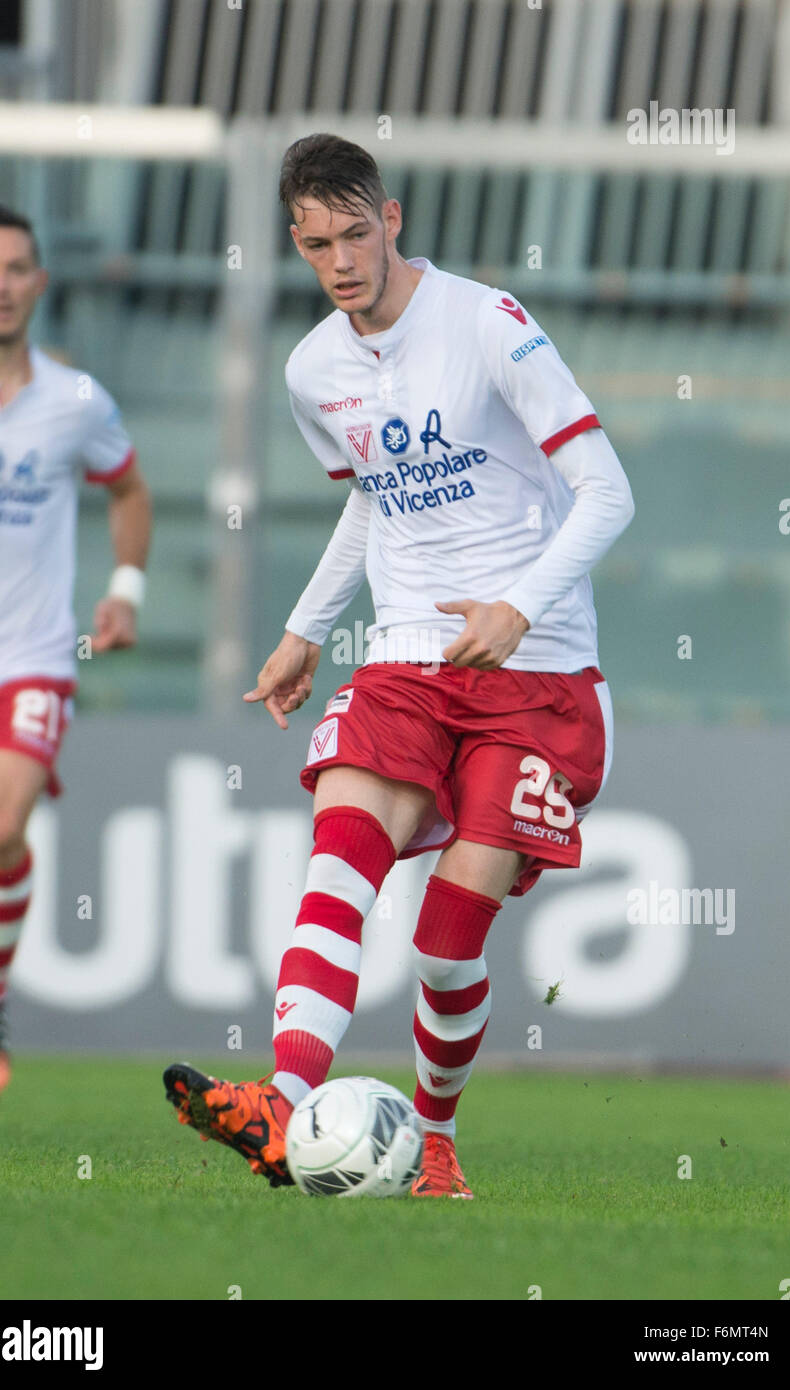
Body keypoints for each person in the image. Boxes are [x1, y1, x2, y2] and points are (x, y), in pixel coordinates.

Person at [164, 134, 634, 1197]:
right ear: (295, 241)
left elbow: (609, 492)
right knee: (339, 858)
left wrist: (519, 607)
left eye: (357, 233)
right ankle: (278, 1109)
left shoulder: (488, 324)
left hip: (540, 672)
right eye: (317, 243)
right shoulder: (312, 371)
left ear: (395, 217)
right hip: (406, 658)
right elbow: (372, 495)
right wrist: (304, 627)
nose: (342, 261)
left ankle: (433, 1137)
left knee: (443, 939)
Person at [0, 204, 151, 1115]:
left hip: (29, 655)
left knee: (0, 830)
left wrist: (126, 590)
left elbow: (128, 487)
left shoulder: (76, 402)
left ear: (38, 282)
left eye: (15, 269)